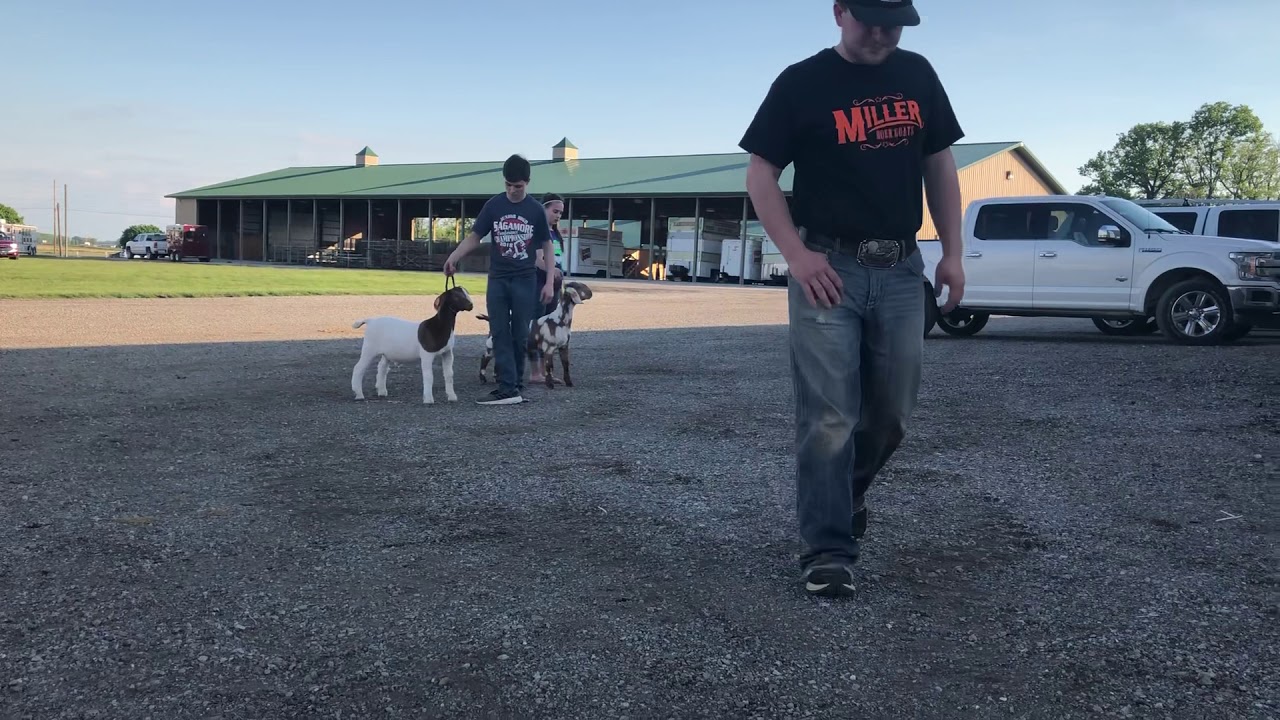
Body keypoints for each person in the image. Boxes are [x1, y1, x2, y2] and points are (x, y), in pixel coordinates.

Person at [739, 0, 967, 597]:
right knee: (829, 416)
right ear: (838, 12)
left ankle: (847, 494)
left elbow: (939, 163)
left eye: (894, 23)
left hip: (899, 268)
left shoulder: (917, 75)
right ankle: (827, 549)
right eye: (870, 19)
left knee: (891, 414)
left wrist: (953, 251)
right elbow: (761, 173)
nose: (882, 33)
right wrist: (796, 254)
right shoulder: (802, 82)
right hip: (827, 267)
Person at [444, 154, 557, 405]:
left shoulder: (535, 210)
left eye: (518, 186)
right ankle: (509, 387)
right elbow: (475, 236)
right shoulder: (494, 206)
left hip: (525, 279)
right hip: (498, 278)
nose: (513, 191)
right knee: (498, 330)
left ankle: (513, 386)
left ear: (527, 183)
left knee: (519, 331)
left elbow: (547, 246)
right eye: (508, 185)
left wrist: (549, 281)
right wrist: (454, 256)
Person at [530, 193, 566, 384]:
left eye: (560, 213)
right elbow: (537, 260)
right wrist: (552, 272)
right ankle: (535, 372)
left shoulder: (556, 234)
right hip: (539, 284)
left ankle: (546, 372)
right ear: (544, 209)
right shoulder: (537, 231)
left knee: (550, 329)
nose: (558, 215)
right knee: (537, 326)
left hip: (555, 286)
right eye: (555, 211)